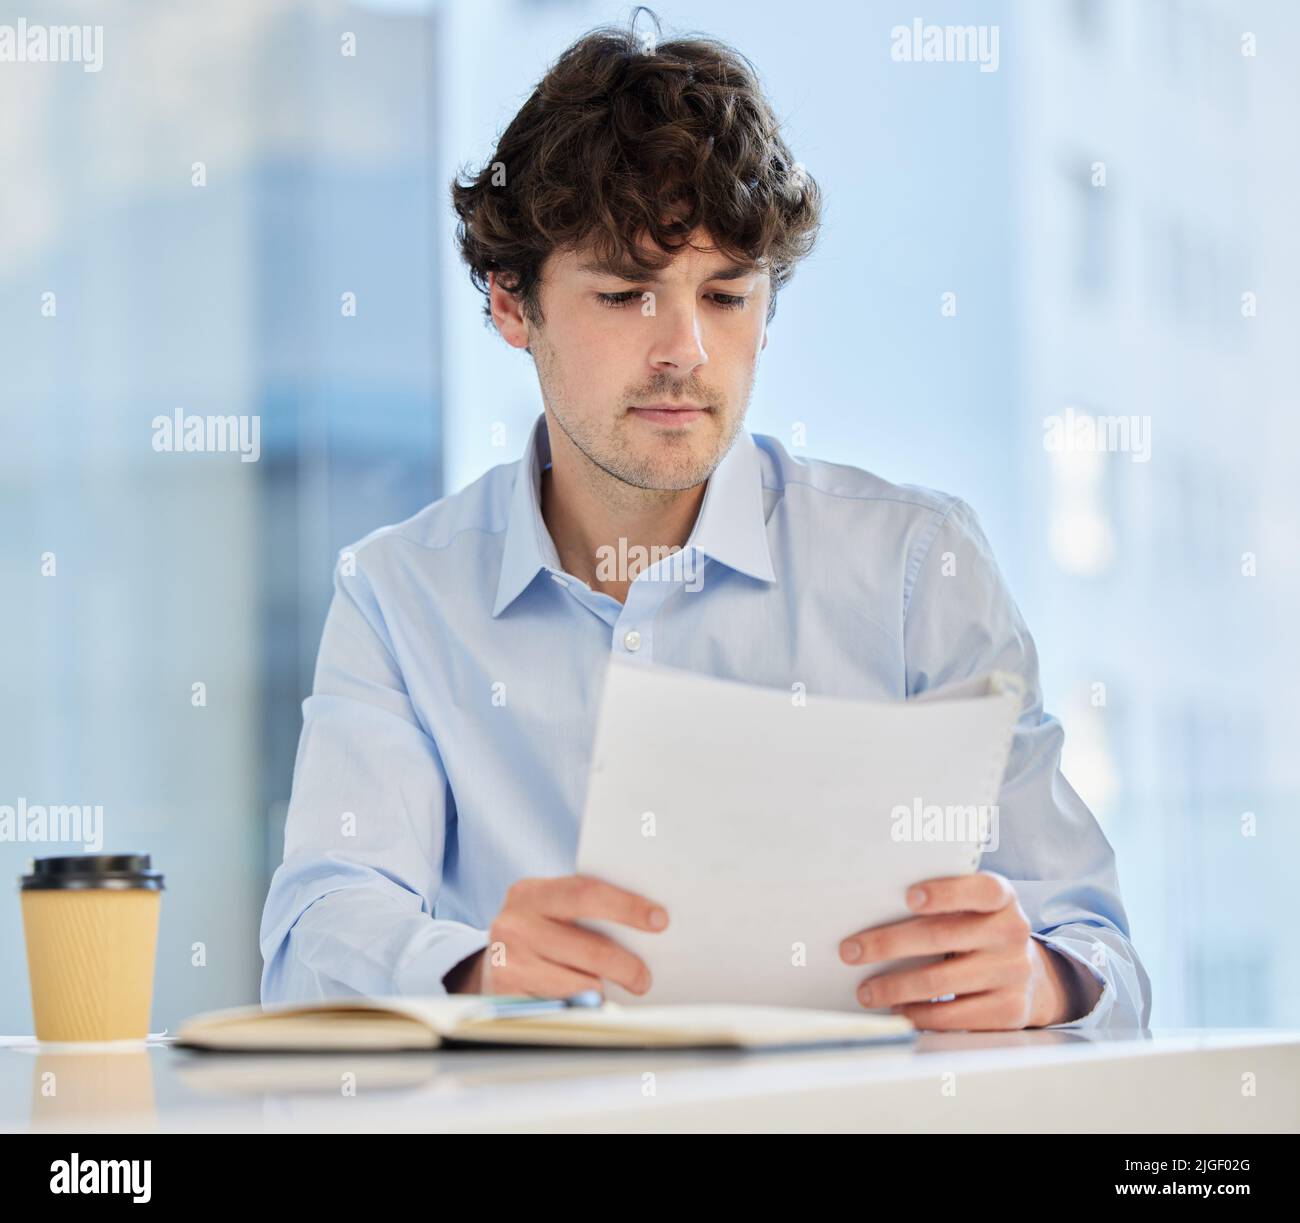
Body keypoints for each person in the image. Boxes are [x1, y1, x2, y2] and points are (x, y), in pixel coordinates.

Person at [260, 13, 1151, 1030]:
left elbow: (1100, 950)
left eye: (725, 295)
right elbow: (313, 935)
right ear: (513, 306)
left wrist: (1043, 978)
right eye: (628, 293)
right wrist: (470, 966)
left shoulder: (916, 566)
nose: (684, 348)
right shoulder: (398, 596)